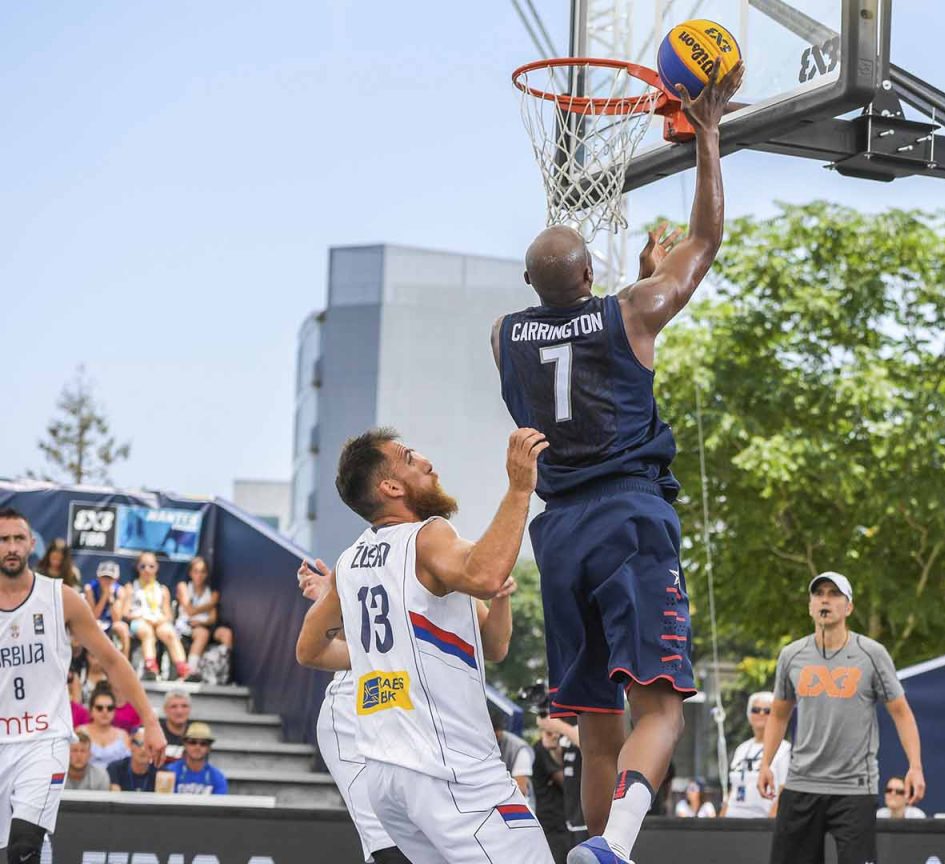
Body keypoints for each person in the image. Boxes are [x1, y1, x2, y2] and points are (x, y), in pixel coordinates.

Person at [491, 60, 744, 864]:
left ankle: (596, 849)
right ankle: (615, 848)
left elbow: (562, 333)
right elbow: (703, 240)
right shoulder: (634, 311)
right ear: (593, 276)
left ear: (529, 285)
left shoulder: (502, 334)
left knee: (597, 728)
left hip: (558, 533)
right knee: (661, 709)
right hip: (629, 520)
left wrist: (616, 297)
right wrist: (707, 135)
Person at [296, 427, 552, 864]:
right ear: (391, 487)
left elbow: (310, 651)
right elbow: (485, 574)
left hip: (387, 777)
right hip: (448, 767)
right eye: (411, 459)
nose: (428, 464)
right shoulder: (430, 537)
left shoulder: (352, 560)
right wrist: (519, 488)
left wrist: (374, 653)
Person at [0, 507, 166, 860]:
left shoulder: (61, 598)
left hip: (43, 740)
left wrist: (150, 722)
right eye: (3, 540)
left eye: (18, 538)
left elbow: (112, 660)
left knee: (23, 848)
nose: (11, 547)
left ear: (32, 544)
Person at [758, 572, 926, 864]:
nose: (826, 599)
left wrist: (915, 766)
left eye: (835, 594)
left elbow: (901, 712)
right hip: (801, 784)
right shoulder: (791, 655)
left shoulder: (872, 654)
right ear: (810, 605)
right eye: (819, 593)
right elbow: (779, 714)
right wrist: (765, 763)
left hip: (854, 788)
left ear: (848, 607)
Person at [722, 691, 789, 819]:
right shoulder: (742, 748)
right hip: (732, 819)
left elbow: (783, 791)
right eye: (756, 709)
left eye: (767, 711)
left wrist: (770, 824)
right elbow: (733, 789)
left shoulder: (784, 748)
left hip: (760, 821)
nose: (761, 714)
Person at [123, 552, 189, 680]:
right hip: (139, 621)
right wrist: (142, 617)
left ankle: (183, 668)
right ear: (138, 568)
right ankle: (150, 667)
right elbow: (125, 613)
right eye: (143, 566)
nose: (147, 570)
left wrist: (158, 620)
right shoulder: (131, 588)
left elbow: (168, 615)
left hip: (158, 621)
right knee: (147, 632)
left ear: (156, 567)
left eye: (151, 566)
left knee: (169, 632)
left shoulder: (162, 590)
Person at [174, 556, 233, 681]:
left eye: (203, 572)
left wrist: (201, 620)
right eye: (196, 571)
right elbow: (189, 611)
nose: (199, 575)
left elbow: (212, 618)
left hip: (205, 626)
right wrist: (211, 604)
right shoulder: (183, 586)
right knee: (202, 634)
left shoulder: (211, 592)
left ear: (207, 574)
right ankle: (191, 671)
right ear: (190, 573)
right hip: (185, 626)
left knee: (226, 634)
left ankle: (220, 671)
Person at [532, 720, 574, 860]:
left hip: (562, 816)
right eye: (550, 732)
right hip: (551, 819)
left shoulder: (558, 748)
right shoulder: (541, 749)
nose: (555, 736)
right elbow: (564, 781)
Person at [82, 560, 131, 655]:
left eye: (110, 578)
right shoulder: (90, 589)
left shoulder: (120, 591)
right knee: (97, 625)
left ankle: (125, 662)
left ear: (115, 579)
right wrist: (104, 596)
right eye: (104, 577)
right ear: (98, 577)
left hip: (111, 623)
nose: (106, 581)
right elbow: (94, 616)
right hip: (96, 622)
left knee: (122, 628)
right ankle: (94, 662)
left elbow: (117, 619)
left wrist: (111, 598)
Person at [165, 721, 227, 794]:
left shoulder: (217, 777)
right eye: (193, 742)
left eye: (203, 743)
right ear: (185, 744)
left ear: (209, 748)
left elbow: (219, 804)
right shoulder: (170, 772)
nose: (197, 747)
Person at [80, 684, 131, 770]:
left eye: (110, 708)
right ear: (91, 710)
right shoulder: (81, 732)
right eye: (99, 708)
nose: (105, 712)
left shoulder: (123, 735)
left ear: (114, 711)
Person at [106, 728, 158, 792]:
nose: (143, 749)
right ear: (130, 744)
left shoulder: (160, 773)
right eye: (139, 744)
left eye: (149, 746)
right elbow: (114, 798)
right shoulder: (115, 768)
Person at [159, 690, 192, 761]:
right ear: (165, 710)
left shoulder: (196, 735)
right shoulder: (156, 733)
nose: (179, 711)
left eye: (184, 706)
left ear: (190, 709)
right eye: (173, 706)